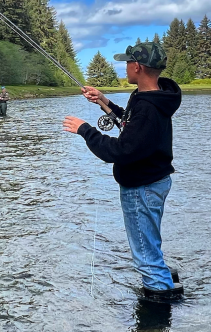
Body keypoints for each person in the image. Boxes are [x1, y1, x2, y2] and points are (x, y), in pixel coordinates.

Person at [62, 40, 184, 301]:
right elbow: (131, 127)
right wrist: (104, 102)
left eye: (127, 62)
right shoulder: (151, 96)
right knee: (149, 243)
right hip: (152, 182)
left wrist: (84, 130)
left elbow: (120, 151)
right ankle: (162, 276)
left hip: (142, 188)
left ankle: (157, 311)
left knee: (146, 257)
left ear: (137, 66)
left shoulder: (149, 108)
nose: (125, 67)